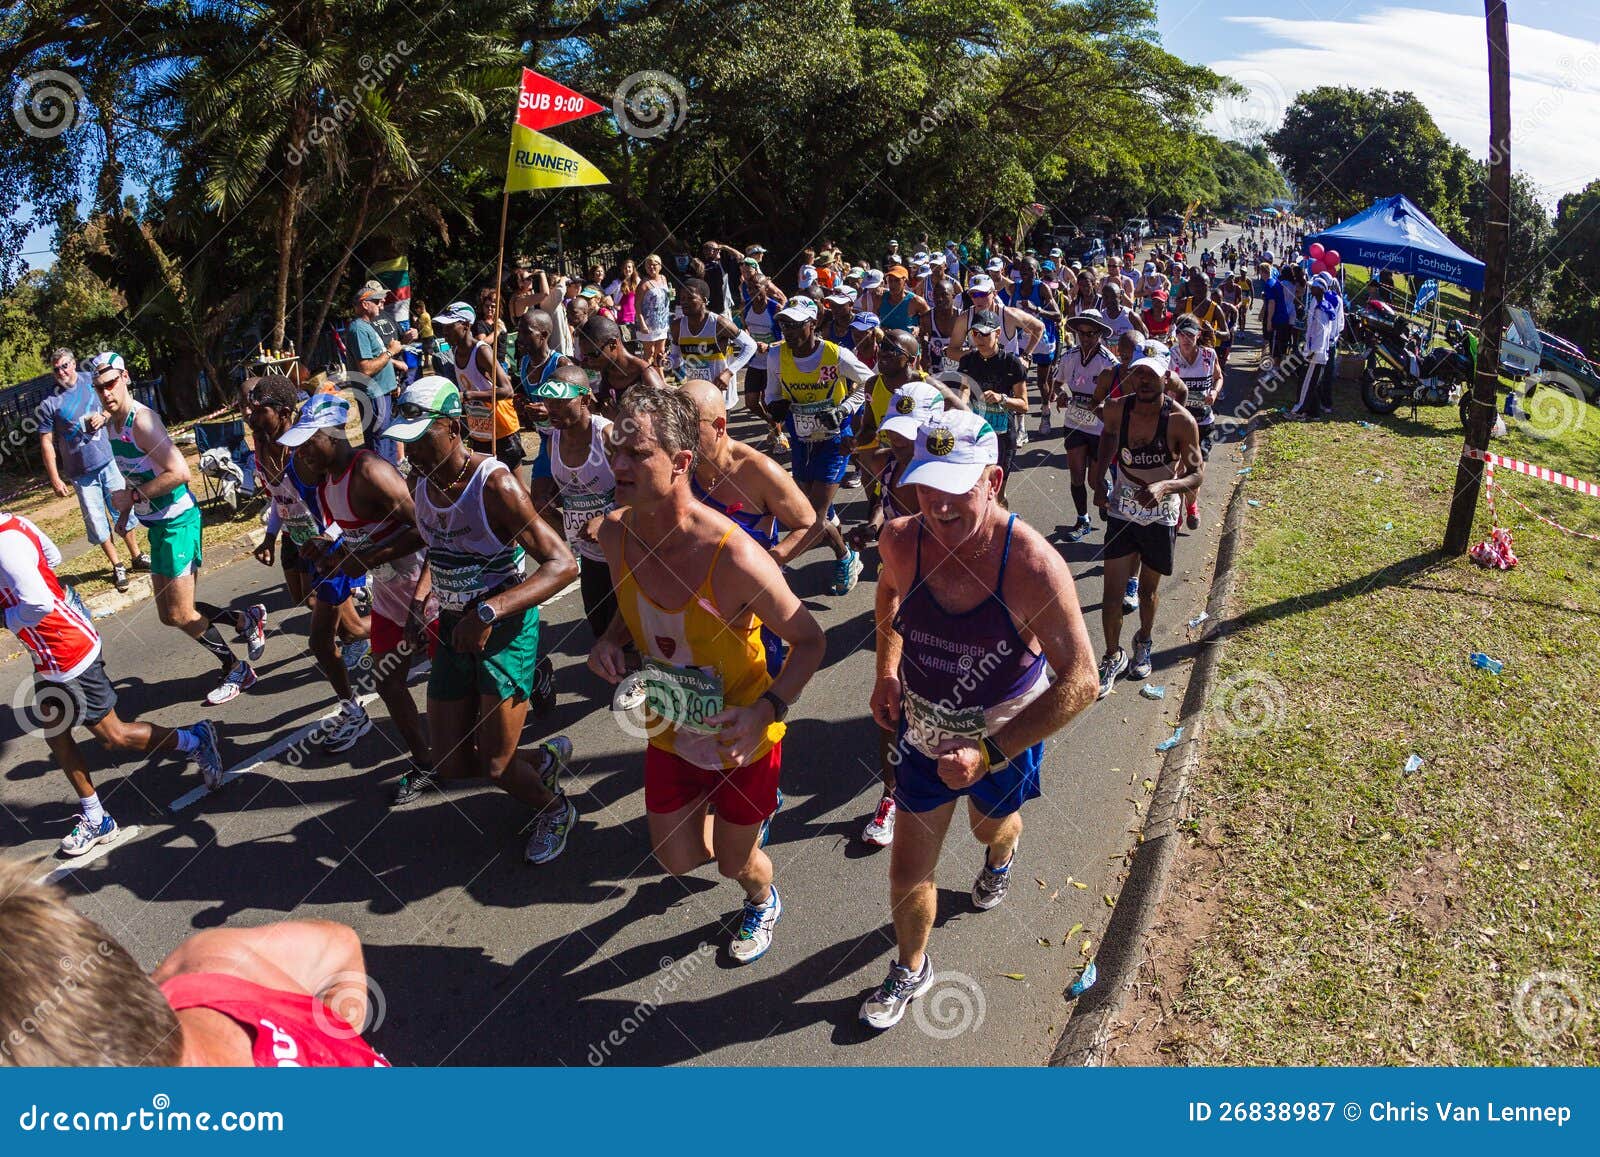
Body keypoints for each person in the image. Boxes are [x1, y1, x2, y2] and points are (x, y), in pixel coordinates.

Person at [860, 410, 1097, 1029]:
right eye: (926, 486)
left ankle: (1000, 855)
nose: (936, 507)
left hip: (1001, 734)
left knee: (988, 826)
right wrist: (888, 670)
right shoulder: (901, 540)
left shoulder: (1033, 566)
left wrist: (990, 754)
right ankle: (912, 967)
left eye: (955, 490)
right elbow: (887, 594)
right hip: (922, 731)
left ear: (992, 482)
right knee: (910, 865)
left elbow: (1082, 681)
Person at [588, 386, 826, 964]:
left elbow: (810, 641)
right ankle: (737, 835)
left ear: (681, 462)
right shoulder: (616, 533)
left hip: (741, 734)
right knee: (675, 859)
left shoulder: (736, 556)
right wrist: (610, 641)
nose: (618, 464)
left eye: (637, 453)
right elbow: (629, 604)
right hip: (669, 719)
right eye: (615, 449)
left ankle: (761, 898)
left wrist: (766, 711)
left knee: (733, 860)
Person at [380, 376, 580, 860]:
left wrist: (490, 610)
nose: (412, 454)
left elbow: (562, 563)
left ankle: (555, 809)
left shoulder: (495, 484)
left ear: (452, 428)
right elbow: (435, 540)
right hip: (451, 628)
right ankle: (543, 760)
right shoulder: (421, 483)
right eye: (404, 442)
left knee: (493, 766)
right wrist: (418, 600)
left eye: (421, 439)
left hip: (503, 629)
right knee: (448, 762)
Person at [0, 859, 387, 1066]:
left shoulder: (210, 965)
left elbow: (337, 949)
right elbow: (337, 946)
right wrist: (335, 1046)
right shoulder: (210, 963)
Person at [1, 513, 222, 856]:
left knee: (113, 736)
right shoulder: (15, 523)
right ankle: (96, 817)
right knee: (55, 731)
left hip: (67, 649)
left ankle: (196, 740)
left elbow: (40, 602)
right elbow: (53, 557)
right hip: (48, 649)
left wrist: (6, 616)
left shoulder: (5, 544)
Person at [87, 353, 259, 707]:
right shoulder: (113, 423)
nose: (105, 393)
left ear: (125, 378)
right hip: (157, 525)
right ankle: (245, 619)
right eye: (98, 388)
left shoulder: (142, 421)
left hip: (178, 521)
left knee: (181, 613)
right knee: (170, 614)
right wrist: (126, 515)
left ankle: (235, 668)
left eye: (110, 384)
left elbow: (181, 473)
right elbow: (134, 470)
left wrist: (132, 497)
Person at [286, 395, 438, 782]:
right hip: (389, 596)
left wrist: (367, 559)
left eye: (309, 441)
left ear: (334, 435)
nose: (302, 453)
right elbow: (351, 526)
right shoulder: (324, 485)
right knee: (388, 681)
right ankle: (425, 762)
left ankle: (530, 680)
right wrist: (326, 544)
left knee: (460, 679)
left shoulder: (370, 470)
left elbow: (427, 529)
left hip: (430, 589)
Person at [246, 378, 371, 746]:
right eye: (250, 406)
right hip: (305, 544)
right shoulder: (264, 447)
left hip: (331, 550)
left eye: (259, 407)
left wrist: (331, 537)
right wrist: (270, 536)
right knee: (340, 626)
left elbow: (340, 497)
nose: (251, 413)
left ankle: (353, 710)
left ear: (283, 412)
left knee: (323, 640)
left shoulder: (308, 452)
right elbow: (279, 497)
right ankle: (405, 629)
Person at [1090, 354, 1205, 699]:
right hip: (1124, 509)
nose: (1143, 380)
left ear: (1166, 378)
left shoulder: (1181, 422)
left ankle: (1144, 640)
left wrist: (1166, 487)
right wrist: (1099, 481)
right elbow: (1108, 435)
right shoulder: (1116, 409)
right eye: (1138, 373)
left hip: (1161, 512)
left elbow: (1198, 473)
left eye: (1151, 375)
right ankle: (1112, 655)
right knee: (1112, 595)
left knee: (1147, 592)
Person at [762, 298, 873, 595]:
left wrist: (845, 408)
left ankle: (845, 558)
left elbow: (870, 382)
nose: (789, 331)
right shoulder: (776, 356)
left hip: (834, 438)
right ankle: (838, 534)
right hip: (801, 438)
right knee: (811, 507)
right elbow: (771, 396)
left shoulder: (837, 354)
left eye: (796, 325)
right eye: (784, 324)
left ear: (813, 324)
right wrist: (776, 408)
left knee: (812, 513)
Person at [37, 348, 146, 592]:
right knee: (97, 521)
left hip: (107, 459)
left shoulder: (93, 381)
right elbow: (46, 442)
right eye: (56, 369)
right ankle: (117, 565)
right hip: (80, 472)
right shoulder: (49, 403)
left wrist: (104, 416)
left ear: (74, 364)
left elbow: (114, 402)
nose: (62, 372)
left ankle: (136, 556)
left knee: (122, 508)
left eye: (65, 365)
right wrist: (55, 478)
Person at [538, 365, 619, 639]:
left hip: (626, 557)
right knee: (598, 627)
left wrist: (607, 521)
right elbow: (573, 494)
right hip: (591, 558)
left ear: (585, 399)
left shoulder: (608, 437)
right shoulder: (553, 443)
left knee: (627, 637)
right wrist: (551, 508)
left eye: (561, 401)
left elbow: (647, 495)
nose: (552, 409)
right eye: (548, 401)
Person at [1050, 310, 1117, 541]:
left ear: (1100, 334)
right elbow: (1057, 384)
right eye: (1081, 333)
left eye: (1091, 333)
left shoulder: (1109, 362)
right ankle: (1082, 519)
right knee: (1076, 475)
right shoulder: (1069, 357)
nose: (1086, 338)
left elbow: (1119, 396)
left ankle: (1104, 488)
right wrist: (1059, 394)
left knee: (1093, 481)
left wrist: (1100, 408)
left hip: (1099, 428)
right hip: (1074, 423)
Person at [434, 302, 523, 470]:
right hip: (480, 430)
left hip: (501, 426)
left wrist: (469, 395)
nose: (444, 331)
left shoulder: (481, 351)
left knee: (515, 485)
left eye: (449, 326)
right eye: (443, 326)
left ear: (466, 325)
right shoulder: (455, 351)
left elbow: (508, 390)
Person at [956, 310, 1029, 500]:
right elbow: (964, 389)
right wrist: (961, 408)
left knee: (997, 494)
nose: (979, 338)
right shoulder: (967, 361)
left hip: (1002, 436)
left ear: (997, 333)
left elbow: (1024, 405)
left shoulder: (1012, 363)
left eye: (985, 334)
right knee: (975, 489)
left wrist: (1002, 399)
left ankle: (1001, 525)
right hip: (976, 434)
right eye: (975, 333)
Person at [514, 307, 573, 536]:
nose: (520, 339)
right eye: (519, 332)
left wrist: (549, 412)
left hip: (570, 443)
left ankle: (586, 549)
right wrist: (522, 407)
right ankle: (572, 549)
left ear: (544, 335)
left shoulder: (561, 366)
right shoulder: (524, 365)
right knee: (539, 504)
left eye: (526, 332)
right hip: (546, 443)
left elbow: (584, 407)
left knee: (574, 500)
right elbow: (532, 406)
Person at [669, 277, 757, 409]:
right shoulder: (677, 326)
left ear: (704, 300)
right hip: (695, 394)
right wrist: (666, 361)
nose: (684, 302)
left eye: (690, 298)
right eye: (682, 298)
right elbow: (676, 359)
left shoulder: (719, 324)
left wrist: (729, 372)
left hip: (719, 393)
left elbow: (750, 345)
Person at [1169, 314, 1222, 530]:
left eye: (1190, 334)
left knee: (1196, 471)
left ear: (1198, 335)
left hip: (1203, 423)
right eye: (1181, 334)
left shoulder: (1209, 355)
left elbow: (1219, 377)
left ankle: (1192, 506)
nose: (1185, 339)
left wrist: (1214, 393)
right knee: (1179, 471)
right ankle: (1179, 512)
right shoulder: (1171, 355)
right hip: (1179, 423)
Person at [345, 283, 403, 465]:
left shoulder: (366, 327)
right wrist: (390, 352)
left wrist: (392, 384)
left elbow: (377, 360)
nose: (382, 304)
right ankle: (380, 487)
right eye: (377, 301)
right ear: (364, 304)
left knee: (387, 442)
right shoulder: (358, 329)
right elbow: (366, 368)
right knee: (379, 448)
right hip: (374, 398)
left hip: (382, 395)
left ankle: (391, 478)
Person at [742, 277, 788, 453]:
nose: (752, 293)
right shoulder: (746, 308)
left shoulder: (775, 309)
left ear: (765, 289)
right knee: (751, 402)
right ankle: (773, 426)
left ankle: (779, 437)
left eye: (755, 289)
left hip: (772, 361)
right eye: (749, 290)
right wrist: (747, 341)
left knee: (768, 402)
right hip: (755, 362)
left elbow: (787, 338)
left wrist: (769, 346)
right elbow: (745, 329)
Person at [1291, 272, 1345, 421]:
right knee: (1317, 379)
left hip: (1318, 348)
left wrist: (1312, 349)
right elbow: (1338, 325)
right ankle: (1315, 409)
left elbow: (1320, 330)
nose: (1311, 290)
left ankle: (1302, 409)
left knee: (1311, 379)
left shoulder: (1321, 304)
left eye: (1314, 287)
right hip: (1324, 345)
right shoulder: (1330, 301)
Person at [636, 254, 672, 367]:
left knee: (660, 352)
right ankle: (648, 380)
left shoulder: (663, 278)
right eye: (648, 265)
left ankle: (660, 380)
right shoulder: (644, 284)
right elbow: (637, 305)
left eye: (654, 265)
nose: (651, 267)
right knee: (649, 353)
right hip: (648, 323)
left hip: (662, 322)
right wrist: (642, 324)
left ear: (660, 266)